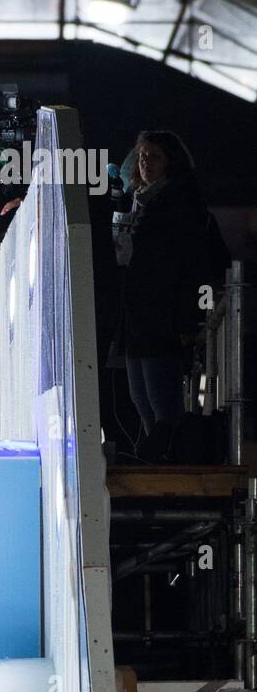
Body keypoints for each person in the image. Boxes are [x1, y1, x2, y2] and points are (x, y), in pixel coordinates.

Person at [110, 131, 220, 461]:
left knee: (162, 406)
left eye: (154, 156)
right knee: (141, 400)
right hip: (136, 317)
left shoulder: (180, 203)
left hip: (162, 319)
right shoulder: (135, 200)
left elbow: (194, 267)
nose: (145, 162)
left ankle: (157, 466)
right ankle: (152, 463)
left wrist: (191, 319)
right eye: (142, 156)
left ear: (171, 163)